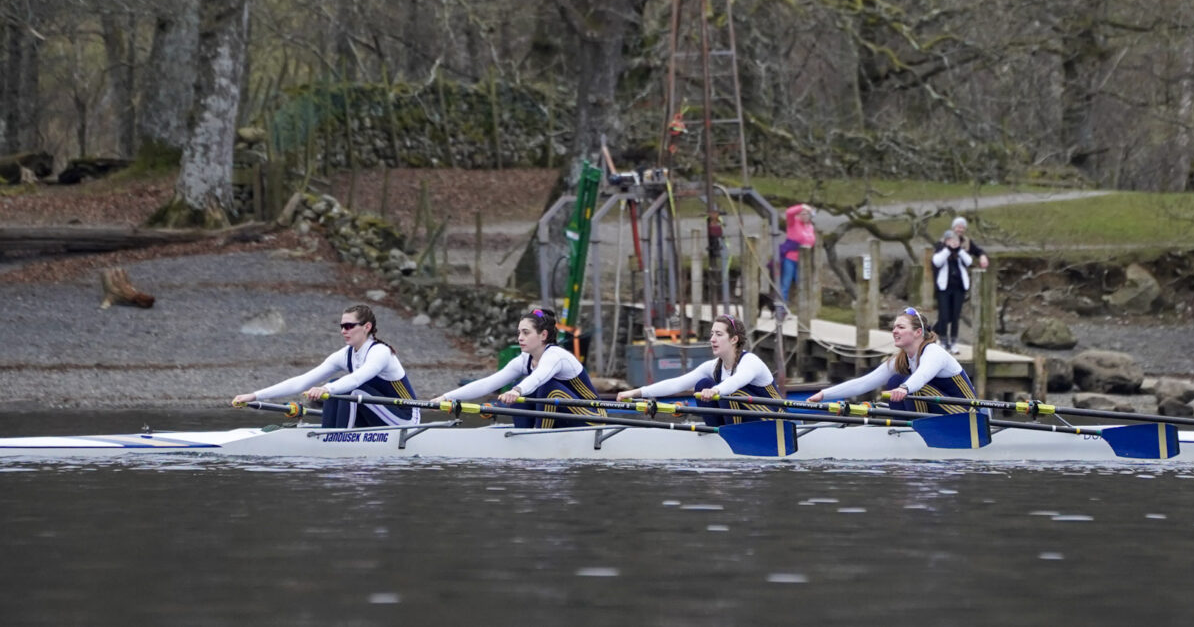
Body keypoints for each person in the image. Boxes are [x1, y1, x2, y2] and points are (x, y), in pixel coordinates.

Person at [232, 304, 421, 429]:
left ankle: (337, 440)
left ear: (367, 327)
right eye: (341, 326)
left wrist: (325, 389)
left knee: (350, 389)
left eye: (349, 326)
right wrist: (255, 395)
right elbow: (301, 382)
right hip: (378, 414)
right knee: (335, 384)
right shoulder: (343, 355)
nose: (343, 331)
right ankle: (330, 435)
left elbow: (357, 379)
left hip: (405, 418)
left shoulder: (381, 352)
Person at [433, 308, 605, 428]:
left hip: (591, 417)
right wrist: (446, 397)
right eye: (519, 333)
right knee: (525, 392)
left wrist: (516, 390)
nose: (520, 338)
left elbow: (538, 377)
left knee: (545, 387)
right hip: (563, 417)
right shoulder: (524, 360)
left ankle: (538, 438)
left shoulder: (556, 356)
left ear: (543, 335)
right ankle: (523, 436)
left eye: (526, 333)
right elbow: (488, 384)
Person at [617, 314, 783, 425]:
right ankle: (716, 435)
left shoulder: (750, 362)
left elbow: (735, 382)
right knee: (702, 383)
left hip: (776, 419)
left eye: (718, 334)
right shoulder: (713, 366)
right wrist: (635, 393)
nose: (712, 339)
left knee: (726, 391)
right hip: (748, 420)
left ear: (734, 339)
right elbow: (677, 384)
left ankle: (732, 437)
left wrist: (716, 390)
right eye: (711, 334)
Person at [806, 307, 978, 414]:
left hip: (966, 414)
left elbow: (922, 376)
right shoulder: (900, 359)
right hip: (941, 412)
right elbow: (865, 382)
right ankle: (901, 431)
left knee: (905, 383)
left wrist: (905, 388)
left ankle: (913, 433)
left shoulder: (934, 352)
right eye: (894, 327)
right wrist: (824, 395)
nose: (894, 331)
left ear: (918, 332)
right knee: (895, 379)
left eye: (901, 327)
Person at [931, 227, 973, 353]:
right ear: (945, 241)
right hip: (944, 288)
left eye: (955, 240)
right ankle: (943, 341)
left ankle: (954, 342)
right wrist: (948, 249)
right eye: (950, 240)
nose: (953, 242)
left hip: (958, 288)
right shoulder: (941, 251)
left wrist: (959, 250)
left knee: (955, 316)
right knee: (944, 315)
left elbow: (969, 261)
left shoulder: (960, 253)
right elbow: (937, 262)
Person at [779, 203, 817, 305]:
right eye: (802, 214)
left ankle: (804, 308)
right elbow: (789, 212)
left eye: (807, 214)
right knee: (785, 283)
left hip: (803, 260)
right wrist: (802, 206)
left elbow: (811, 241)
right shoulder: (793, 223)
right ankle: (782, 308)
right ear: (798, 215)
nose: (805, 216)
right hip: (790, 259)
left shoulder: (810, 227)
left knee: (802, 284)